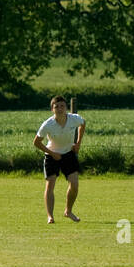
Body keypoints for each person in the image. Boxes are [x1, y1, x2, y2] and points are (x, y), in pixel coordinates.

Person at [34, 95, 86, 224]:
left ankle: (68, 211)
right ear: (52, 109)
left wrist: (78, 143)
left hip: (69, 154)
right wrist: (52, 153)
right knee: (50, 184)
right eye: (56, 107)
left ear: (66, 108)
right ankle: (50, 216)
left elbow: (83, 123)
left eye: (62, 106)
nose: (60, 109)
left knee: (74, 184)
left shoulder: (74, 119)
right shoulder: (48, 124)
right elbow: (36, 142)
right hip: (51, 156)